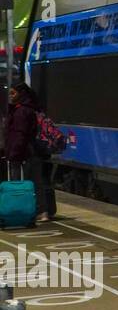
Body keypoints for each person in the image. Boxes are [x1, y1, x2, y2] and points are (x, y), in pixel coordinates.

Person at [4, 83, 56, 223]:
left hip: (22, 154)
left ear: (21, 94)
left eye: (13, 93)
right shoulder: (30, 109)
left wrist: (13, 153)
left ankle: (22, 212)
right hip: (32, 152)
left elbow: (19, 135)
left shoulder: (21, 111)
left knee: (19, 185)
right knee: (36, 183)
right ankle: (42, 211)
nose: (10, 96)